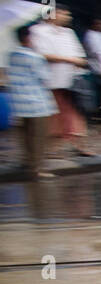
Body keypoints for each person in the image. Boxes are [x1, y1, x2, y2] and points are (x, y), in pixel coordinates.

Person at [30, 7, 89, 155]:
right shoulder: (38, 31)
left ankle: (79, 147)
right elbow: (41, 54)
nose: (67, 16)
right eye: (64, 13)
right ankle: (50, 151)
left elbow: (79, 55)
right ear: (53, 14)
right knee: (53, 117)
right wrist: (69, 59)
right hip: (49, 81)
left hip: (70, 81)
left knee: (74, 114)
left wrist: (78, 61)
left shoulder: (68, 33)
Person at [7, 23, 57, 177]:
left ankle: (27, 163)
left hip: (20, 103)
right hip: (37, 103)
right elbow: (45, 77)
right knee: (38, 137)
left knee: (25, 136)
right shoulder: (35, 57)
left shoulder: (12, 55)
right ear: (28, 38)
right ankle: (37, 169)